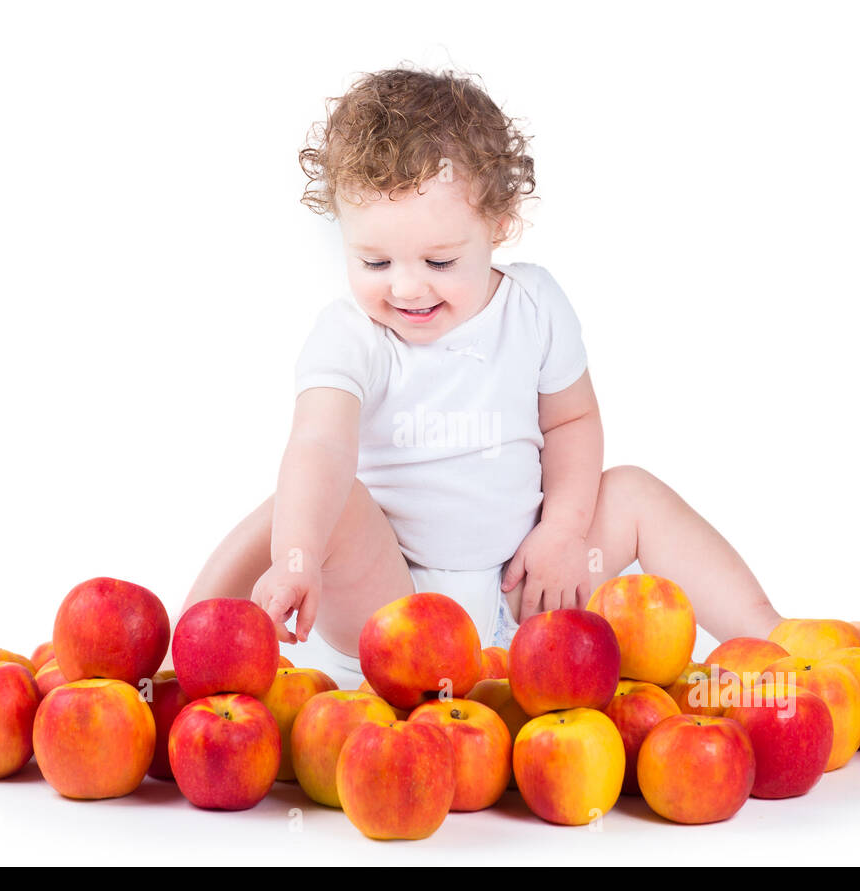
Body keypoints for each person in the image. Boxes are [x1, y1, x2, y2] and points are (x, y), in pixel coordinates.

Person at [180, 66, 784, 683]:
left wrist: (563, 533)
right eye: (375, 260)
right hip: (394, 605)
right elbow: (319, 444)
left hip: (525, 592)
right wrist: (297, 558)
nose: (407, 286)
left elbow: (573, 420)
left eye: (440, 261)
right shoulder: (350, 335)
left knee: (631, 490)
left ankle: (776, 640)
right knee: (314, 501)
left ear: (498, 225)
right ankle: (186, 646)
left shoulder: (533, 306)